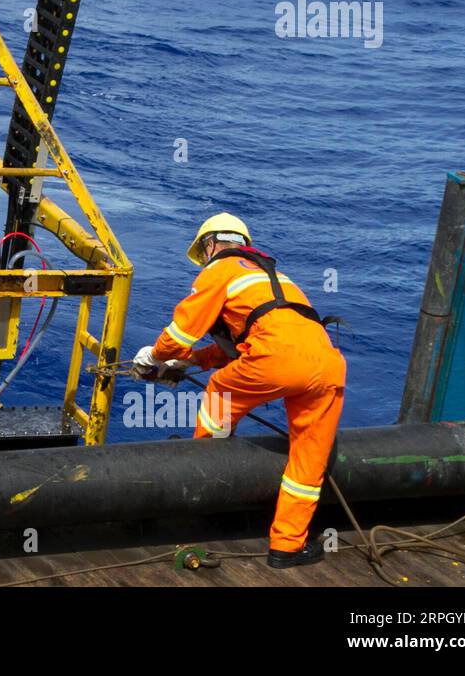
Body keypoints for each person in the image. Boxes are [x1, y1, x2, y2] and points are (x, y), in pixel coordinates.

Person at [133, 213, 346, 568]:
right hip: (328, 365)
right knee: (308, 462)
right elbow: (241, 344)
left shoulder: (220, 270)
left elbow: (181, 334)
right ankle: (287, 547)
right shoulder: (276, 278)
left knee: (220, 389)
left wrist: (155, 356)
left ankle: (206, 479)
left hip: (275, 359)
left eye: (203, 253)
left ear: (210, 245)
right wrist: (189, 364)